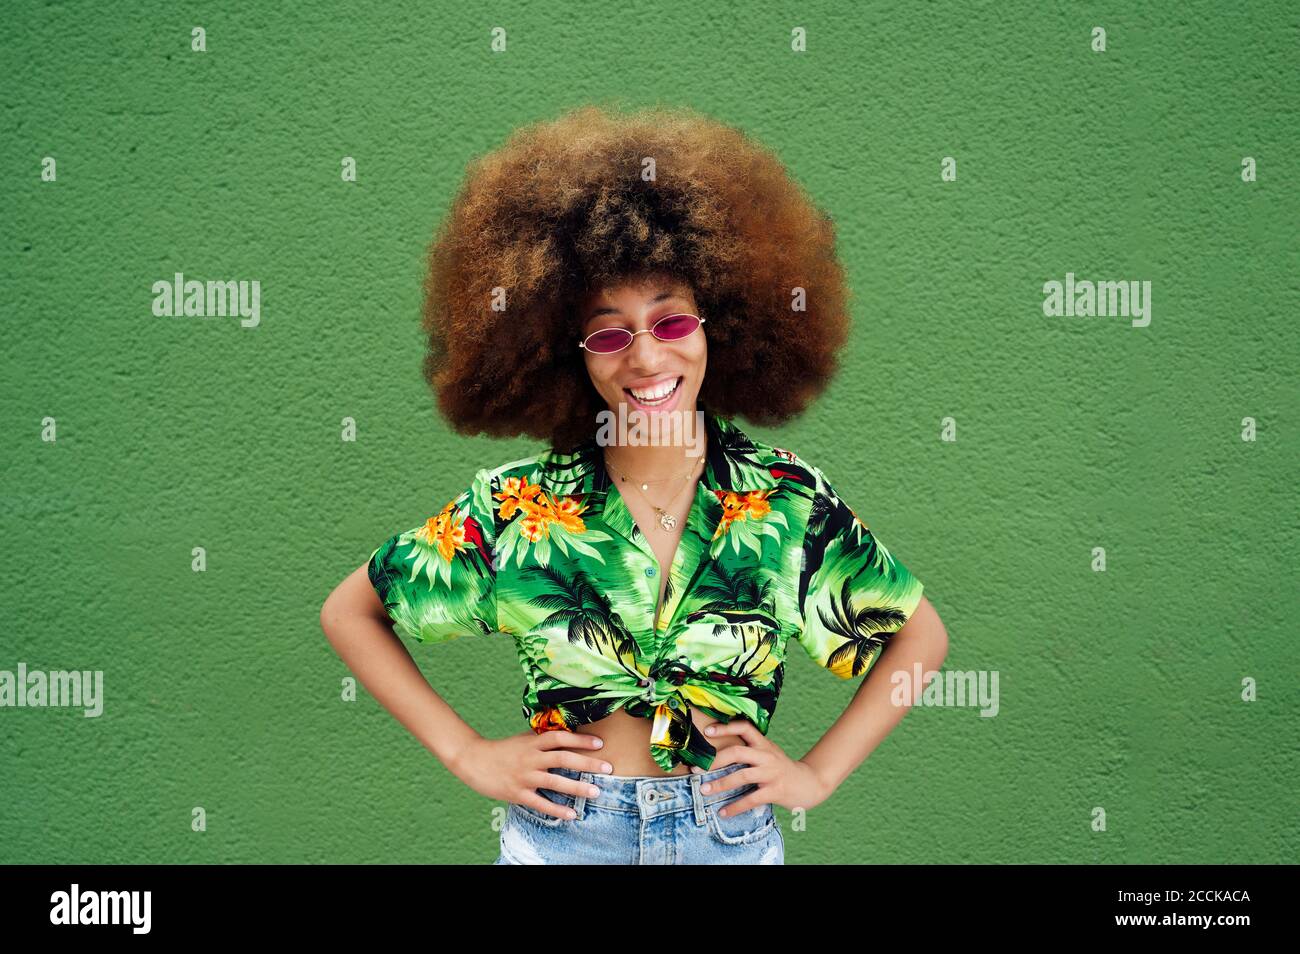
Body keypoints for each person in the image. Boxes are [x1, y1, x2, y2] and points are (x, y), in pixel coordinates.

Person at [319, 103, 949, 864]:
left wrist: (816, 775)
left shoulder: (786, 502)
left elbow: (920, 636)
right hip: (565, 841)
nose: (646, 360)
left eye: (672, 322)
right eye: (611, 333)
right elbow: (351, 612)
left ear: (721, 325)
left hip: (730, 839)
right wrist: (468, 754)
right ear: (570, 356)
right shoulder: (518, 510)